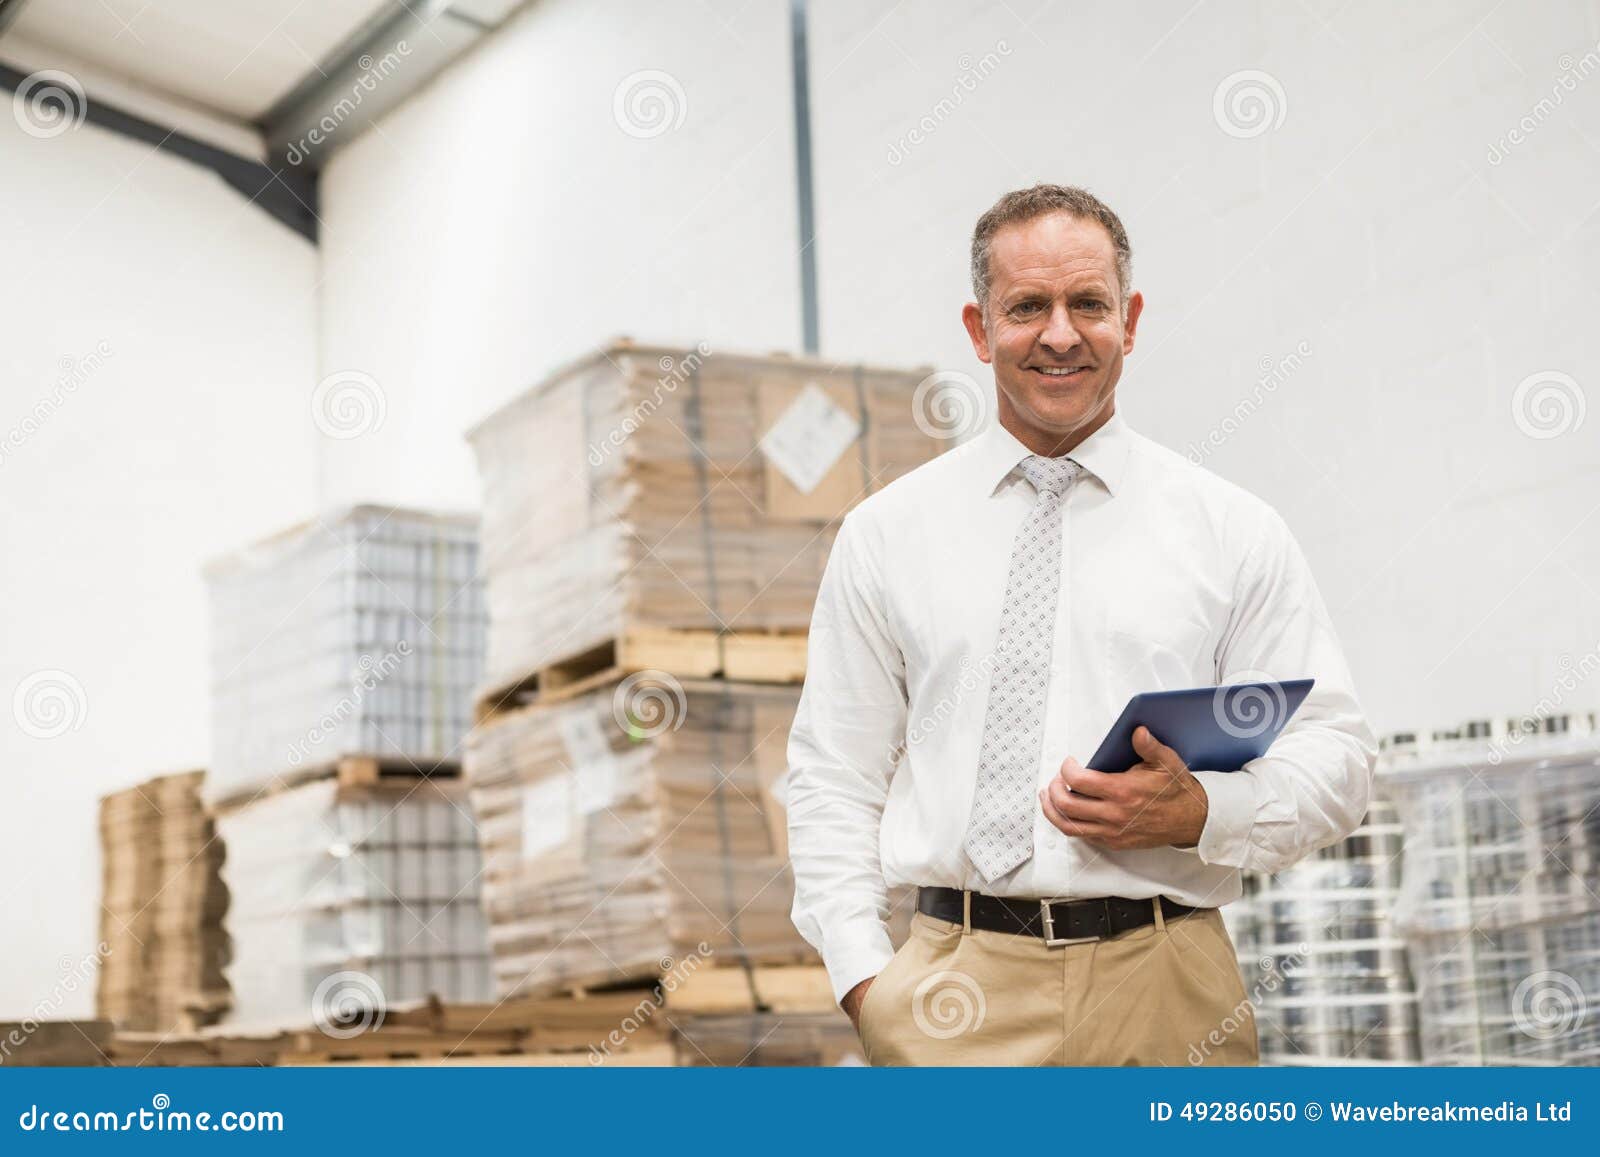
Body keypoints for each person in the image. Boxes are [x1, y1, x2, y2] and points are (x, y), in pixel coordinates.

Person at [785, 183, 1377, 1066]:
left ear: (1129, 321)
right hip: (949, 993)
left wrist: (1203, 809)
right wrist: (867, 982)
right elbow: (833, 774)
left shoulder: (1230, 530)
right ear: (980, 330)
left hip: (1169, 985)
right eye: (1027, 307)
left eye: (1088, 304)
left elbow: (1339, 757)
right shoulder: (887, 535)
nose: (1060, 334)